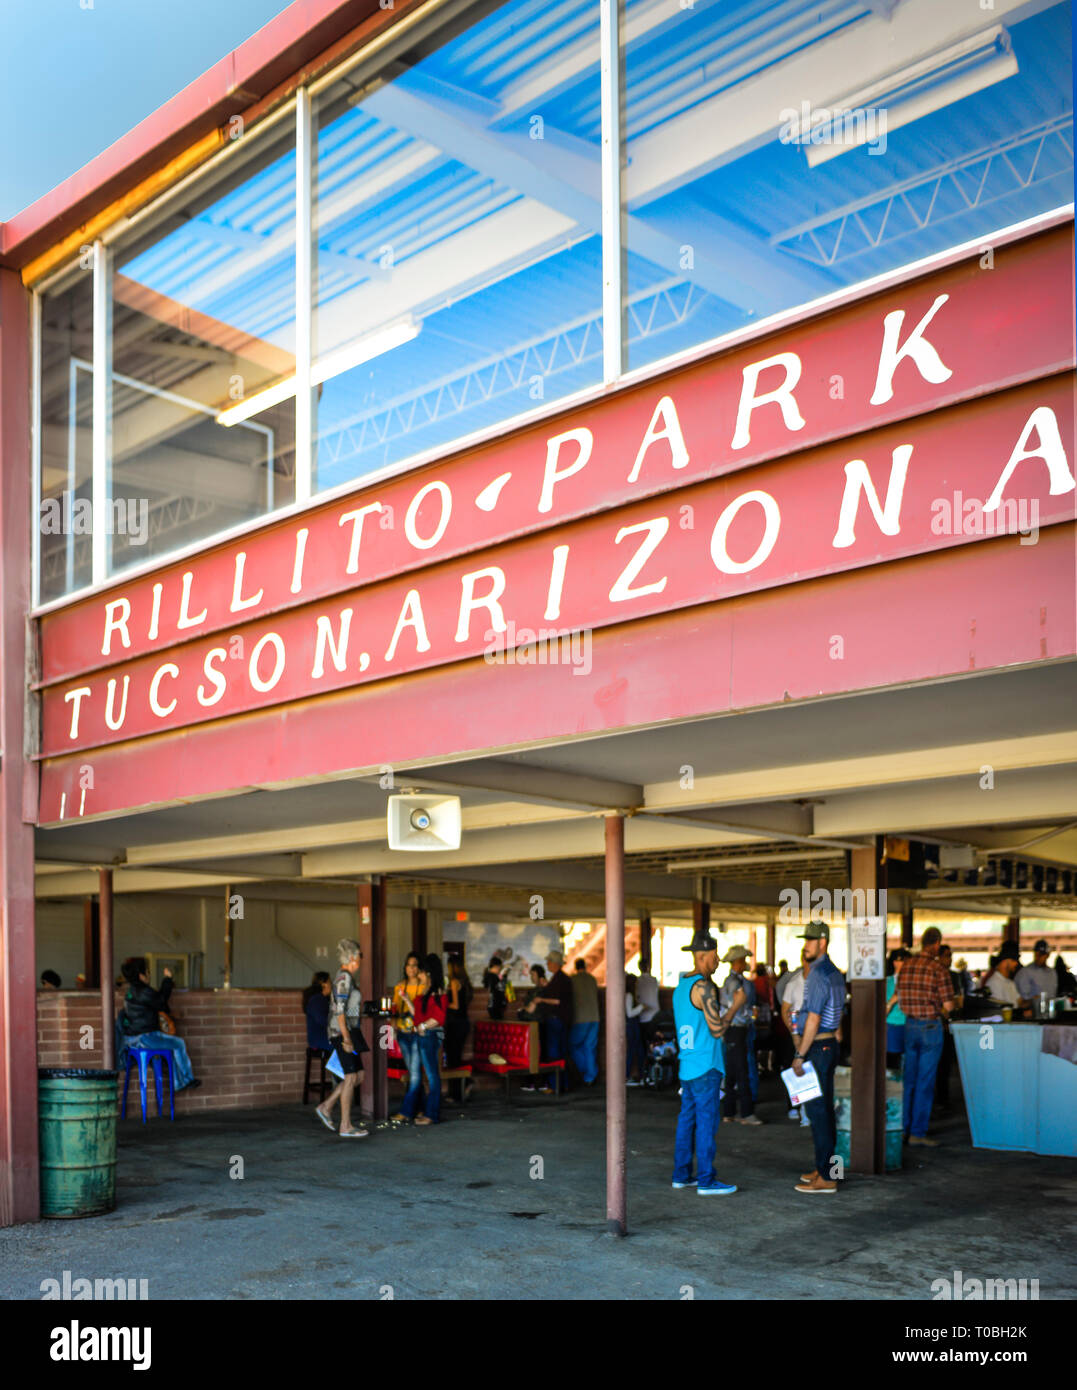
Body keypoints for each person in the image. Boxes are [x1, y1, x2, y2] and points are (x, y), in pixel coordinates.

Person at [671, 928, 736, 1196]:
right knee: (707, 1122)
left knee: (687, 1121)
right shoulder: (704, 987)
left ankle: (681, 1175)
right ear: (704, 956)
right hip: (706, 1066)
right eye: (715, 955)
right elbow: (718, 1030)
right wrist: (735, 1007)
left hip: (687, 1066)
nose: (718, 959)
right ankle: (706, 1180)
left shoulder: (680, 987)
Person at [792, 922, 846, 1194]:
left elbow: (813, 1018)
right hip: (829, 1046)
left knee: (818, 1113)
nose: (806, 946)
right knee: (825, 1112)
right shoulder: (835, 972)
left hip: (816, 1047)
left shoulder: (816, 975)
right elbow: (837, 1013)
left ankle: (826, 1177)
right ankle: (828, 1167)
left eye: (810, 941)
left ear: (822, 943)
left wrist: (800, 1054)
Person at [895, 926, 955, 1147]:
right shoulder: (938, 969)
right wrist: (942, 1008)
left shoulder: (906, 966)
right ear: (937, 944)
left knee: (908, 1079)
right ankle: (917, 1133)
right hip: (930, 1027)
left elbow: (900, 997)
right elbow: (949, 1005)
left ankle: (902, 1128)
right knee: (925, 1081)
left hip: (909, 1025)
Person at [118, 957, 200, 1091]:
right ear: (141, 976)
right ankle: (186, 1080)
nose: (149, 975)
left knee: (171, 1045)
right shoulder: (144, 991)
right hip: (144, 1038)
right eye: (148, 972)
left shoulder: (132, 991)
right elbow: (161, 1002)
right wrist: (167, 980)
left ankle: (179, 1083)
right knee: (178, 1044)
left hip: (131, 1039)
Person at [316, 939, 368, 1138]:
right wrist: (346, 1038)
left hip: (351, 1031)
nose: (361, 959)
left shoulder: (347, 978)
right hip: (341, 1033)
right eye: (359, 955)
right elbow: (339, 1011)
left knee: (358, 1075)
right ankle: (345, 1126)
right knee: (350, 1076)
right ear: (353, 958)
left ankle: (326, 1106)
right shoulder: (343, 979)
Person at [399, 954, 447, 1125]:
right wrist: (406, 1000)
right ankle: (416, 1112)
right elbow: (419, 1015)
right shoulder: (427, 991)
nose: (418, 973)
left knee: (432, 1076)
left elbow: (439, 1018)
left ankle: (431, 1114)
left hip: (429, 1036)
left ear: (428, 973)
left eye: (421, 971)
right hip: (421, 1036)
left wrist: (423, 1027)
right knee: (421, 1075)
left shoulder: (437, 992)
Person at [718, 946, 760, 1125]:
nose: (745, 963)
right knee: (743, 1072)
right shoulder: (736, 983)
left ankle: (729, 1112)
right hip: (737, 1028)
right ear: (738, 962)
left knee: (732, 1073)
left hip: (731, 1030)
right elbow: (736, 1005)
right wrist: (749, 1014)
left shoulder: (731, 981)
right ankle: (746, 1113)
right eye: (743, 960)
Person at [780, 948, 813, 1124]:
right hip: (798, 1031)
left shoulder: (820, 981)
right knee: (797, 1069)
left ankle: (809, 1111)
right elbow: (786, 1010)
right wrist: (793, 1033)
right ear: (802, 961)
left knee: (811, 1070)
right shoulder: (793, 983)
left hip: (816, 1031)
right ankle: (797, 1108)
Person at [533, 949, 573, 1069]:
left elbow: (557, 1001)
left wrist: (541, 1000)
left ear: (555, 963)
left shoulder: (559, 979)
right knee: (562, 1051)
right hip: (563, 1019)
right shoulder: (561, 978)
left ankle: (554, 1084)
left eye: (549, 962)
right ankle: (563, 1084)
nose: (547, 964)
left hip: (556, 1019)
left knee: (554, 1051)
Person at [444, 953, 473, 1102]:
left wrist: (442, 1004)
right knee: (455, 1058)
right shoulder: (465, 982)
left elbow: (455, 1005)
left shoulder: (454, 982)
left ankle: (456, 1093)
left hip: (455, 1024)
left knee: (453, 1059)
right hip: (463, 1023)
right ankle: (463, 1086)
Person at [569, 958, 600, 1085]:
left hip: (580, 1018)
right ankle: (590, 1076)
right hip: (595, 1018)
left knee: (572, 1046)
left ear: (576, 967)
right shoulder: (592, 979)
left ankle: (584, 1069)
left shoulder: (573, 980)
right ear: (585, 967)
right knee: (589, 1047)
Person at [885, 948, 910, 1070]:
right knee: (893, 1063)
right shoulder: (887, 982)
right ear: (894, 962)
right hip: (892, 1026)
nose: (904, 964)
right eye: (901, 960)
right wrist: (892, 1001)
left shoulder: (912, 982)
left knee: (908, 1063)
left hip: (910, 1025)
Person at [1015, 939, 1059, 1005]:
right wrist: (1033, 999)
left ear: (1047, 955)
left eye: (1041, 955)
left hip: (1050, 1009)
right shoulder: (1025, 972)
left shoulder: (1052, 973)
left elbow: (1053, 994)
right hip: (1032, 1011)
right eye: (1036, 954)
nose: (1038, 958)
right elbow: (1022, 997)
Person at [982, 942, 1022, 1009]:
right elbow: (999, 1011)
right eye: (1014, 960)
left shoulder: (1010, 982)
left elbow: (1019, 1002)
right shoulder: (993, 983)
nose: (1016, 964)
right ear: (1005, 961)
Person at [302, 971, 332, 1053]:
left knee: (346, 1043)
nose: (331, 985)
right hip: (319, 1040)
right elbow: (322, 1020)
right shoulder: (317, 999)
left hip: (320, 1038)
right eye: (330, 982)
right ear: (324, 984)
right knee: (344, 1045)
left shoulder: (321, 998)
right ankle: (343, 1066)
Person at [625, 974, 646, 1085]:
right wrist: (641, 1007)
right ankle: (628, 1075)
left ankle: (639, 1074)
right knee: (634, 1050)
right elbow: (630, 1013)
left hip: (633, 1025)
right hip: (632, 1025)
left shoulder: (632, 995)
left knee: (636, 1050)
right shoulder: (628, 995)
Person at [636, 962, 660, 1041]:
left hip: (644, 1015)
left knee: (644, 1039)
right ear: (648, 967)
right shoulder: (653, 980)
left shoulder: (638, 981)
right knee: (654, 1039)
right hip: (655, 1013)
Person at [482, 955, 509, 1020]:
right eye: (500, 967)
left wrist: (501, 977)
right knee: (497, 1025)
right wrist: (504, 977)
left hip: (492, 1005)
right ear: (497, 966)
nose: (500, 969)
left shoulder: (488, 976)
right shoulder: (492, 977)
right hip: (495, 1005)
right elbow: (502, 987)